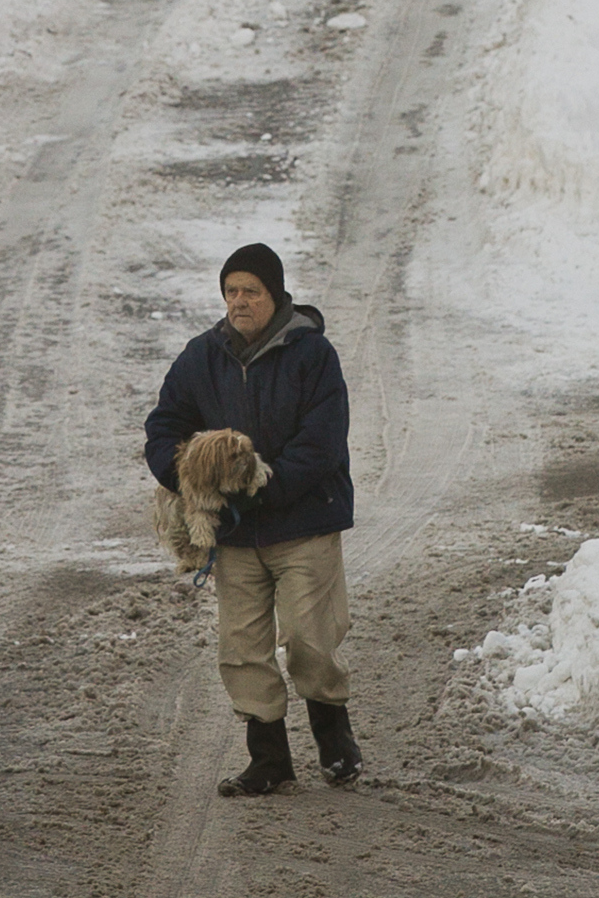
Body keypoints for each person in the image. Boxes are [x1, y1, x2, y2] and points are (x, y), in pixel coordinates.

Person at [144, 243, 364, 795]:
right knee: (241, 647)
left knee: (311, 637)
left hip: (304, 524)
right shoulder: (202, 356)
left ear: (275, 296)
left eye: (251, 291)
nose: (239, 301)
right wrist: (188, 477)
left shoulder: (312, 355)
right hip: (235, 536)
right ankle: (269, 760)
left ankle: (334, 741)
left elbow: (322, 443)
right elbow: (163, 426)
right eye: (231, 291)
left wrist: (264, 488)